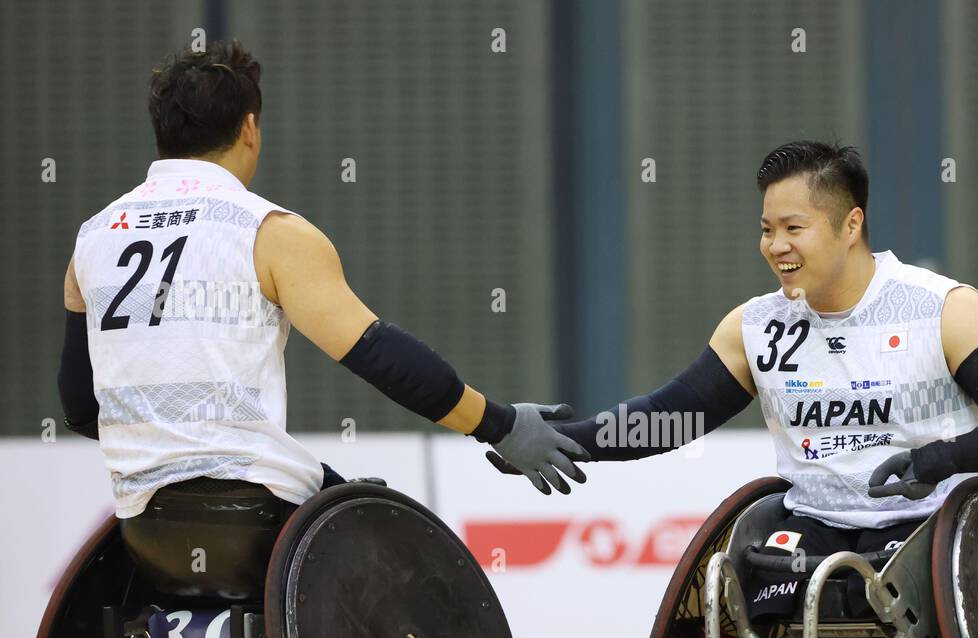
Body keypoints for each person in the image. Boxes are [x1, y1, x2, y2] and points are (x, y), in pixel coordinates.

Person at [492, 140, 978, 623]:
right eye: (767, 230)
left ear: (850, 224)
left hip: (925, 523)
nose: (776, 246)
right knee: (759, 599)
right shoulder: (756, 326)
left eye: (794, 228)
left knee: (865, 600)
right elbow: (670, 417)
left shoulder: (942, 308)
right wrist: (564, 439)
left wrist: (938, 460)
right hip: (813, 525)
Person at [59, 39, 588, 532]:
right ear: (249, 128)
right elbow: (380, 356)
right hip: (251, 511)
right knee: (390, 544)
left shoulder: (92, 237)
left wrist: (162, 449)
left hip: (144, 524)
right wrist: (500, 425)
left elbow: (82, 405)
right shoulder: (268, 231)